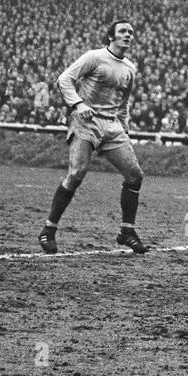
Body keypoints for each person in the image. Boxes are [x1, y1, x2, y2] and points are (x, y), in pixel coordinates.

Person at [39, 18, 149, 255]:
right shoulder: (94, 57)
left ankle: (127, 231)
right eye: (122, 31)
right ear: (111, 36)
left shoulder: (129, 68)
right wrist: (78, 105)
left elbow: (124, 103)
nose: (128, 35)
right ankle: (48, 229)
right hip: (86, 123)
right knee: (77, 173)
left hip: (112, 126)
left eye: (131, 32)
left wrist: (125, 131)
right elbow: (64, 79)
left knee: (135, 175)